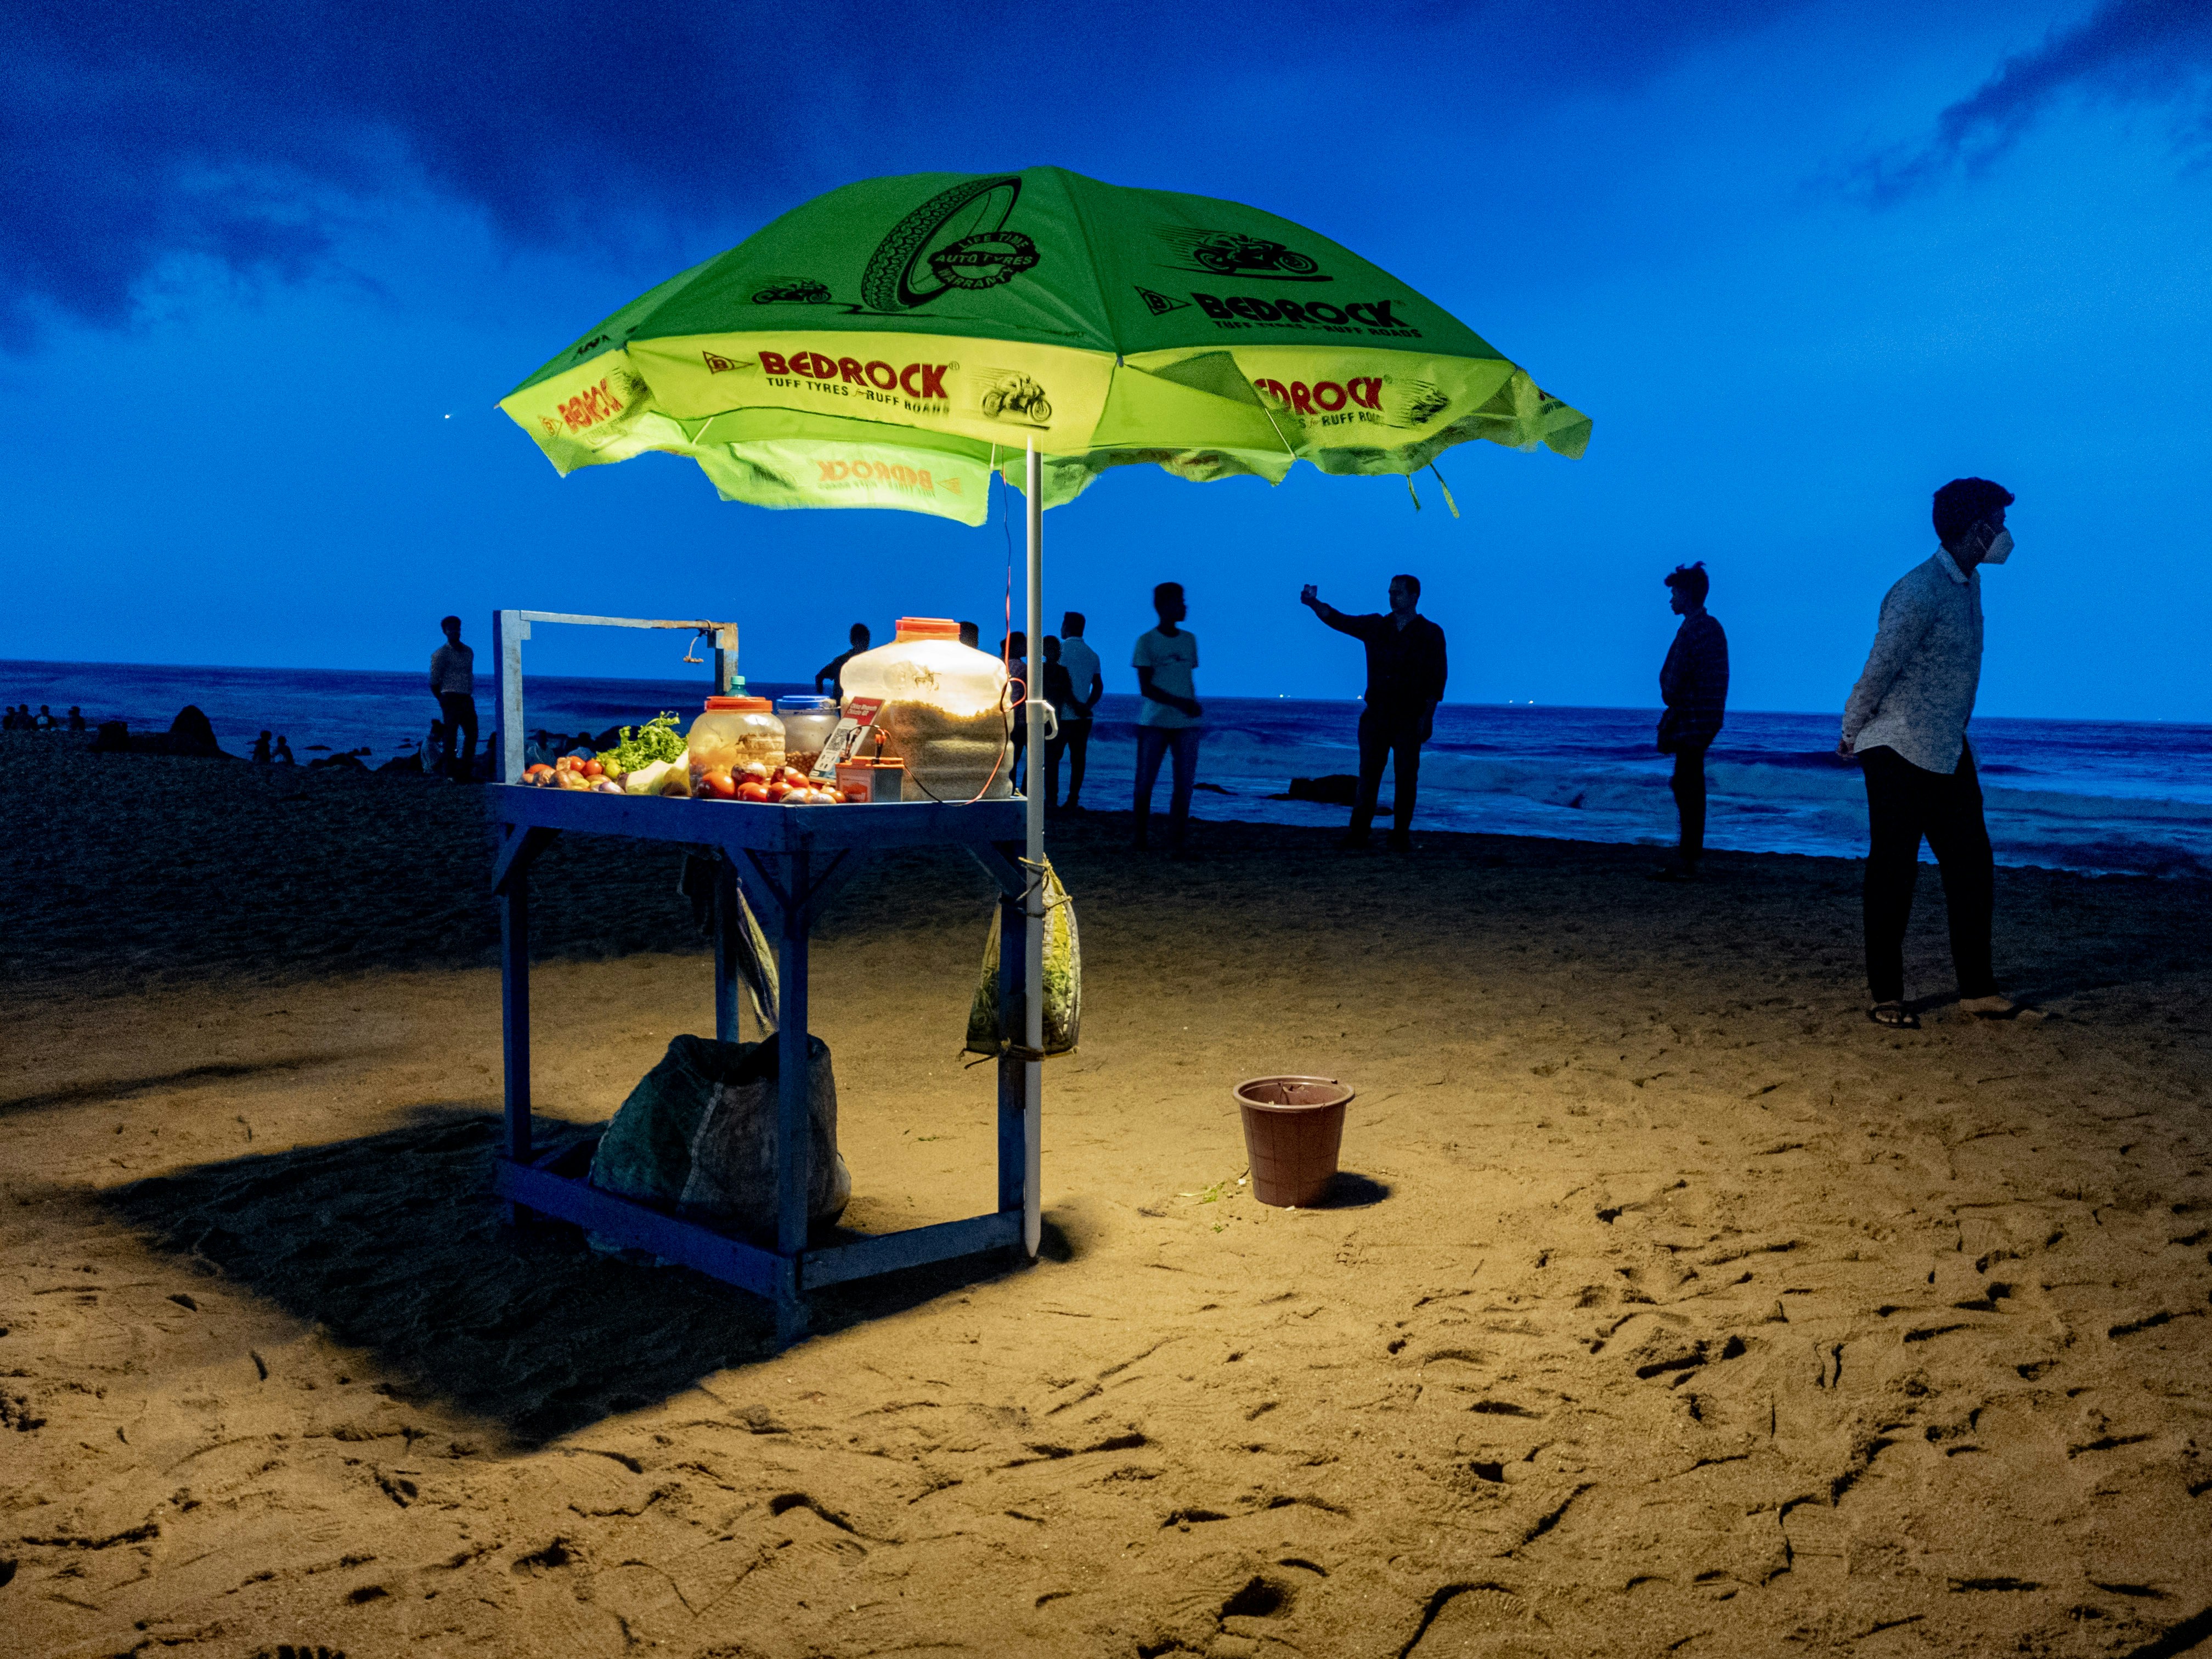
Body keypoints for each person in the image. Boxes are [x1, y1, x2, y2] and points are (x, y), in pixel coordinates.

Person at [1839, 476, 2021, 1029]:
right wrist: (1850, 731)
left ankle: (1978, 990)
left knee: (1972, 866)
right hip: (1895, 744)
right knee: (1894, 871)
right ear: (1976, 530)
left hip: (1945, 745)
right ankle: (1887, 995)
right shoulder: (1917, 591)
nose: (2008, 533)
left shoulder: (1968, 584)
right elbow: (1880, 666)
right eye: (2000, 521)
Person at [1300, 575, 1448, 851]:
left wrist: (1427, 717)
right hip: (1376, 715)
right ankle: (1358, 834)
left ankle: (1400, 836)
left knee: (1406, 778)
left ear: (1415, 596)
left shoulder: (1430, 633)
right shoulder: (1377, 626)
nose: (1393, 597)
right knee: (1368, 775)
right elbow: (1339, 619)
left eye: (1399, 593)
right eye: (1391, 592)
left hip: (1409, 717)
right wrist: (1312, 603)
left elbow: (1437, 679)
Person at [1654, 561, 1730, 881]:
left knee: (1688, 788)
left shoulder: (1694, 630)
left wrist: (1676, 701)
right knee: (1687, 785)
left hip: (1692, 720)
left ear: (1686, 594)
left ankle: (1688, 860)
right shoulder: (1711, 628)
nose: (1671, 599)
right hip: (1704, 719)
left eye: (1674, 593)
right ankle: (1688, 856)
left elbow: (1672, 685)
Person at [1132, 582, 1203, 853]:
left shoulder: (1189, 640)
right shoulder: (1147, 641)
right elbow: (1146, 688)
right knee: (1145, 782)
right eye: (1179, 601)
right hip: (1155, 721)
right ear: (1164, 606)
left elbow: (1184, 678)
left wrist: (1187, 705)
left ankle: (1177, 839)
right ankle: (1140, 838)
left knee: (1184, 784)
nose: (1184, 606)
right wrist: (1182, 703)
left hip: (1186, 723)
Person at [1052, 611, 1104, 811]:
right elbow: (1098, 687)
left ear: (1066, 627)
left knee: (1054, 758)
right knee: (1078, 759)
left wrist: (1073, 704)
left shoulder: (1059, 652)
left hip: (1062, 715)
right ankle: (1073, 799)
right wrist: (1087, 706)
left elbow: (1059, 684)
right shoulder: (1093, 655)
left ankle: (1053, 799)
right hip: (1083, 717)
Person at [429, 614, 477, 782]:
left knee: (472, 733)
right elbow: (434, 681)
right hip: (450, 696)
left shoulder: (468, 652)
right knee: (451, 736)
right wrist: (442, 699)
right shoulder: (441, 654)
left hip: (466, 696)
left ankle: (465, 770)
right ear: (445, 632)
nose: (455, 631)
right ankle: (450, 772)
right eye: (451, 629)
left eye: (457, 628)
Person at [1002, 631, 1030, 791]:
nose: (1026, 647)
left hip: (1006, 716)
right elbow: (1021, 695)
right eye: (1024, 644)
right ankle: (1025, 791)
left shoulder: (1001, 665)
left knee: (1011, 760)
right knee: (1030, 758)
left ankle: (1009, 790)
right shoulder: (1023, 668)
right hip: (1021, 719)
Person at [814, 623, 871, 696]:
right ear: (853, 641)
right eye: (862, 641)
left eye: (867, 641)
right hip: (841, 705)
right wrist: (820, 696)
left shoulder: (870, 663)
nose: (865, 645)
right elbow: (819, 677)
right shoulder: (841, 662)